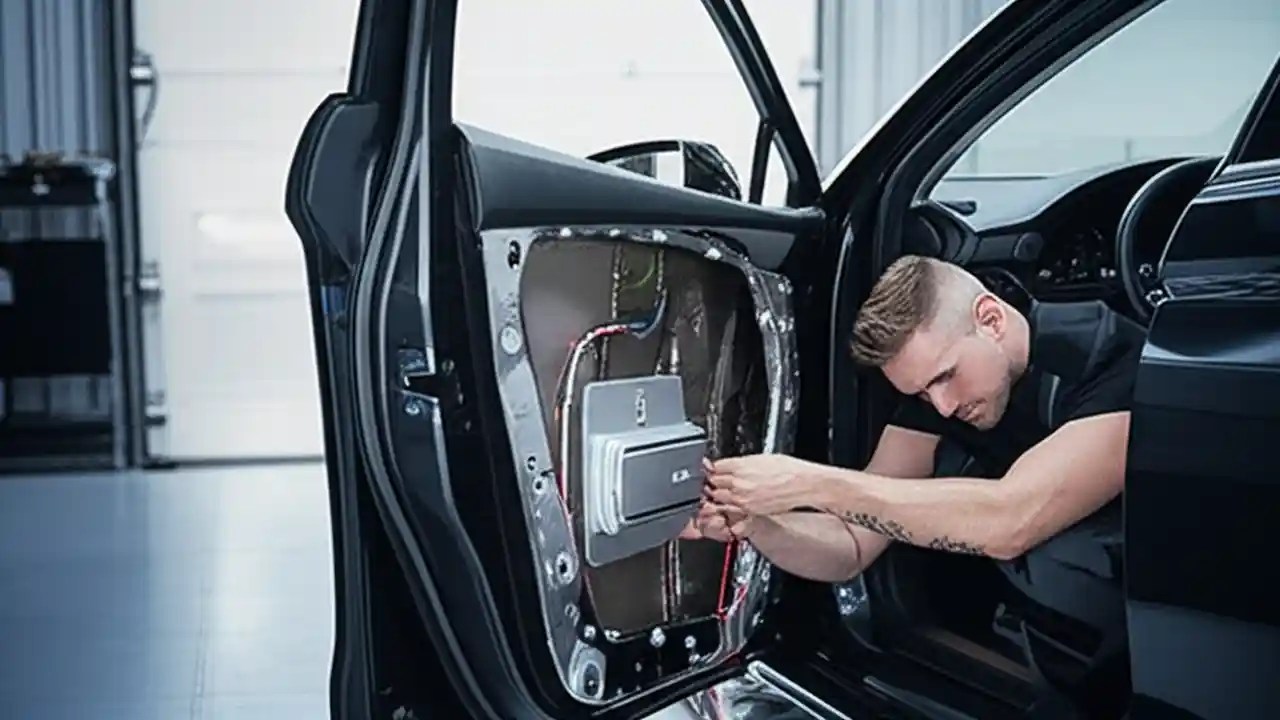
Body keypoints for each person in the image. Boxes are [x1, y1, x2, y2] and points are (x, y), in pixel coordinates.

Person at [682, 253, 1144, 714]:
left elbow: (1010, 519)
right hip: (1063, 659)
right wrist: (759, 526)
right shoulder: (936, 399)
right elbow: (849, 545)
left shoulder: (1116, 363)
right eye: (922, 392)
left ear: (990, 319)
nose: (940, 406)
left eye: (945, 377)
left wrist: (808, 482)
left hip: (1154, 650)